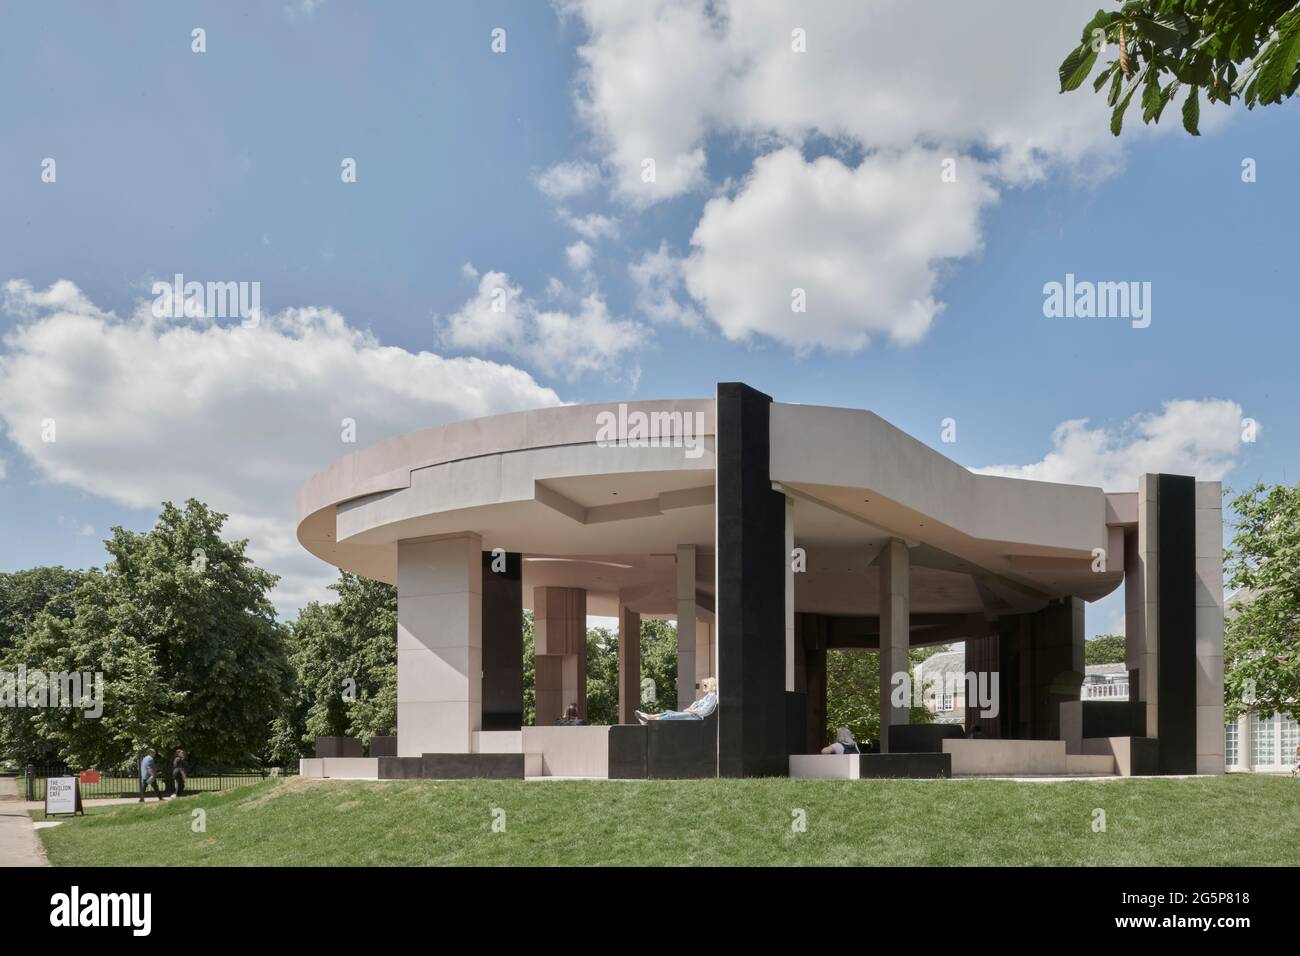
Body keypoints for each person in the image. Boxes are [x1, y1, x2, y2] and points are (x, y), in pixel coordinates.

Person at [635, 678, 717, 723]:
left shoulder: (712, 697)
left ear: (711, 685)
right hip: (693, 714)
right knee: (669, 713)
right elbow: (697, 704)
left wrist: (690, 710)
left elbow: (703, 711)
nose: (703, 686)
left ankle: (649, 720)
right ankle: (648, 717)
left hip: (696, 717)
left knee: (671, 716)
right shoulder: (708, 696)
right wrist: (690, 709)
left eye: (705, 685)